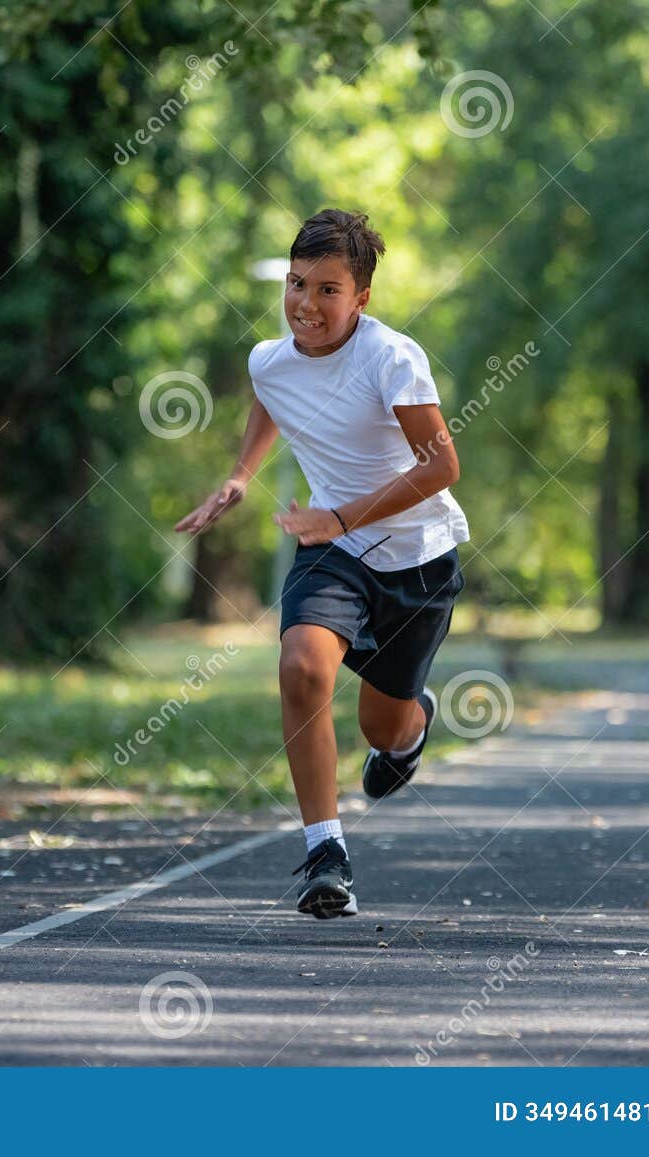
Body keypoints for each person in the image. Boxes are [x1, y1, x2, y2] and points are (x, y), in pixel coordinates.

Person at [176, 210, 469, 919]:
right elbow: (270, 397)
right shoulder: (268, 360)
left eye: (328, 290)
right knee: (302, 665)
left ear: (361, 298)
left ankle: (412, 727)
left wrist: (343, 514)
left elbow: (443, 465)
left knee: (382, 728)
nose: (307, 304)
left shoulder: (391, 357)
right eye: (297, 283)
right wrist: (243, 474)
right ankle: (324, 851)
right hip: (331, 552)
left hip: (418, 561)